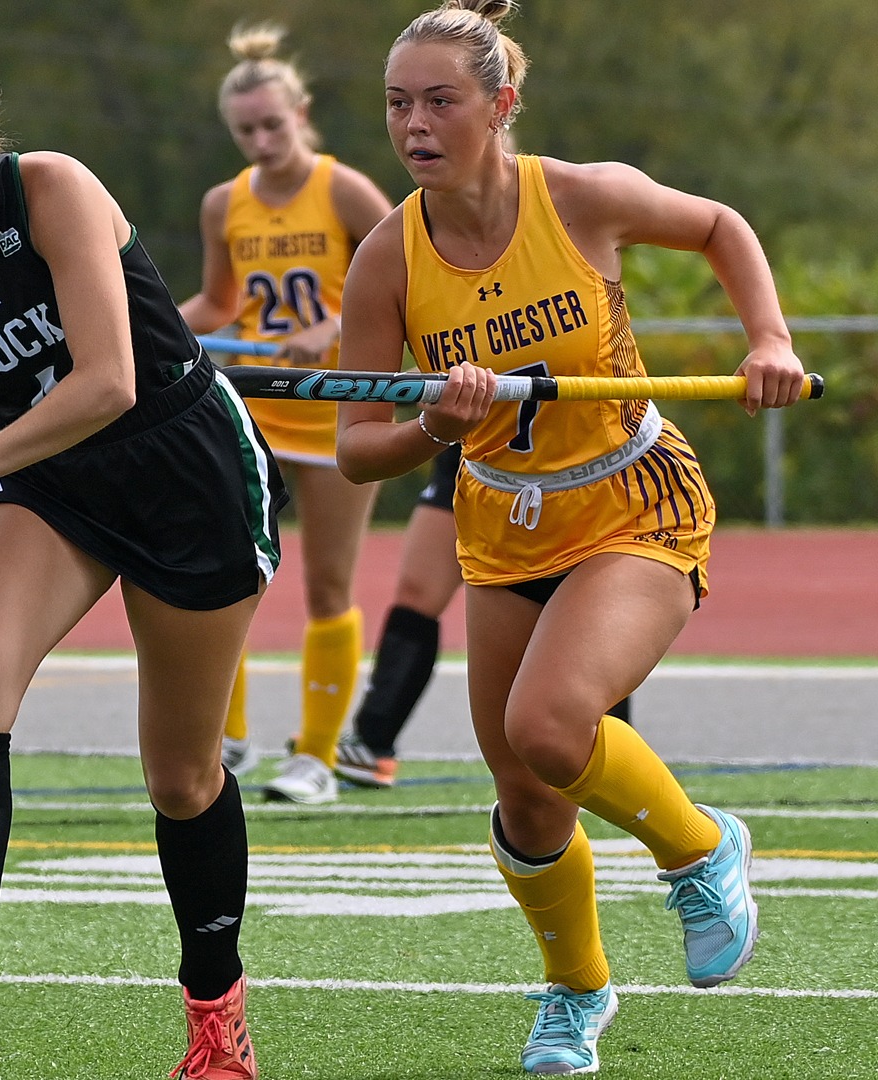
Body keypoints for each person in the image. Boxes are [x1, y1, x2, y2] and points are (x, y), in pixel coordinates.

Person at [0, 10, 283, 1078]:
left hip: (186, 474)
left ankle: (217, 1019)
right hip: (57, 483)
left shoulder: (56, 190)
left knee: (179, 774)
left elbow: (109, 379)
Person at [336, 1, 800, 1072]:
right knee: (526, 796)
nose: (415, 123)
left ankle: (699, 849)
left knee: (549, 725)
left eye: (441, 99)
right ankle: (577, 991)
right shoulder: (387, 261)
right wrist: (430, 429)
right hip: (501, 522)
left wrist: (767, 336)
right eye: (399, 103)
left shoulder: (579, 196)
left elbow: (723, 226)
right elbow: (359, 450)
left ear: (501, 104)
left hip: (634, 500)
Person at [177, 25, 393, 805]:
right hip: (255, 410)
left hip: (336, 407)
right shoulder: (223, 204)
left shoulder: (341, 189)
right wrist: (155, 322)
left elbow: (409, 276)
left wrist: (333, 331)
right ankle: (221, 737)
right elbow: (222, 302)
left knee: (328, 583)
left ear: (302, 113)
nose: (263, 141)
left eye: (274, 124)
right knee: (226, 569)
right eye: (247, 131)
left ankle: (319, 760)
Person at [333, 444, 632, 789]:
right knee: (418, 591)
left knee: (581, 600)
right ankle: (373, 739)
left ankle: (609, 750)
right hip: (478, 452)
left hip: (573, 458)